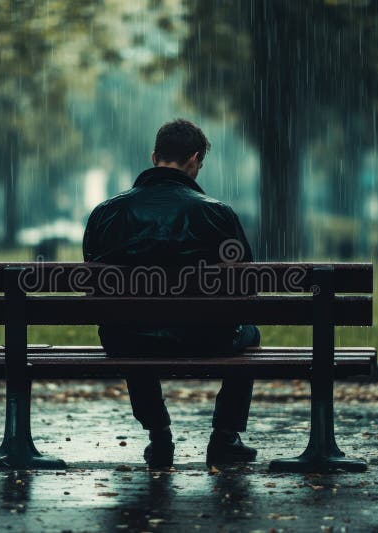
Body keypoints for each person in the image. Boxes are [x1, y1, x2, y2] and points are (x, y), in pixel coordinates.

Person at [82, 119, 260, 469]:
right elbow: (247, 288)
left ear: (154, 157)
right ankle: (225, 437)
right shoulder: (216, 213)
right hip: (206, 339)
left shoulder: (107, 213)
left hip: (128, 340)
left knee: (129, 323)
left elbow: (94, 286)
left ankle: (159, 435)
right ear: (194, 159)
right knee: (251, 334)